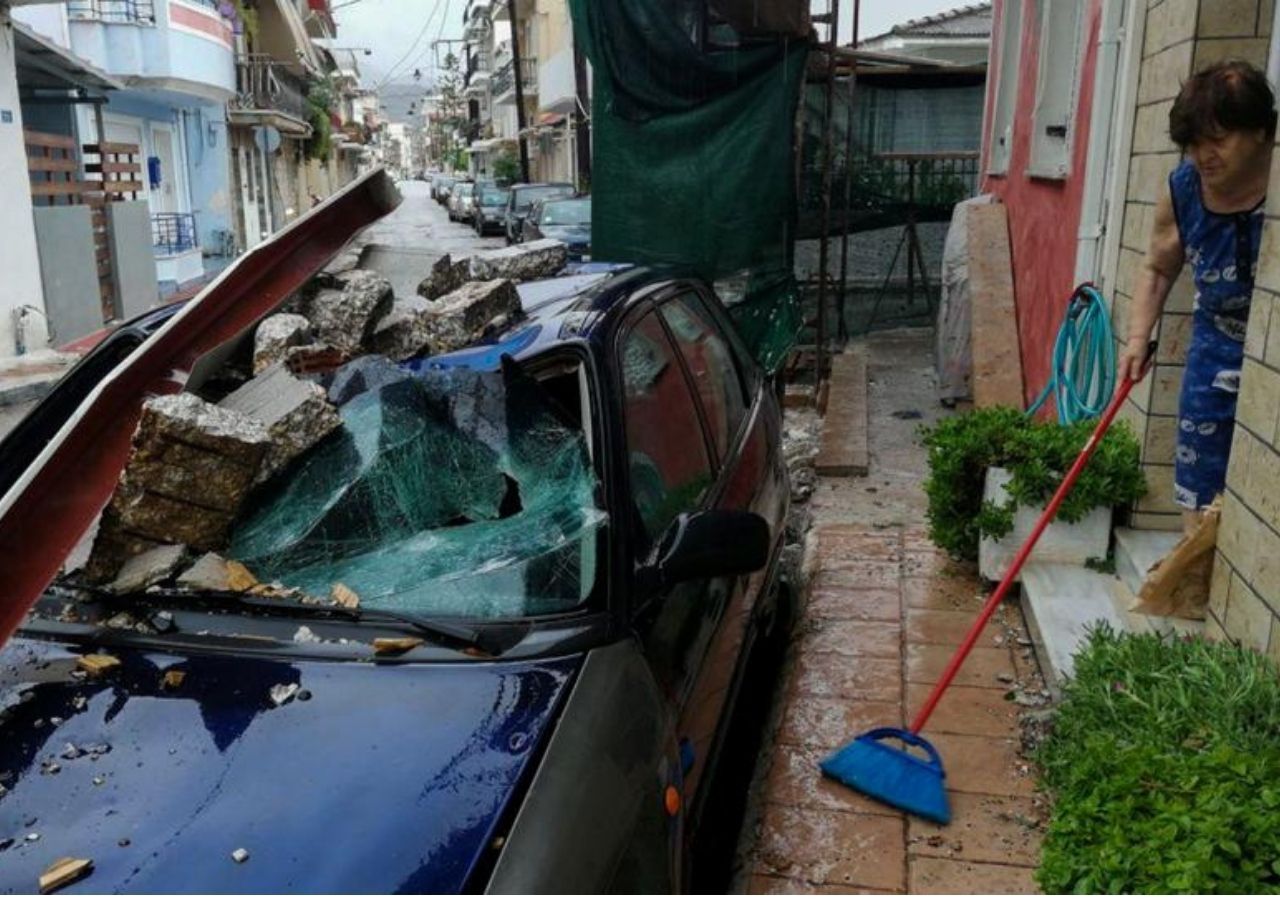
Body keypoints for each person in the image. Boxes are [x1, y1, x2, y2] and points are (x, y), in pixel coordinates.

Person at [1120, 59, 1277, 534]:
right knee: (1199, 456)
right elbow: (1156, 269)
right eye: (1193, 145)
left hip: (1270, 340)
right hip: (1215, 340)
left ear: (1262, 133)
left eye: (1218, 140)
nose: (1204, 155)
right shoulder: (1183, 190)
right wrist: (1136, 339)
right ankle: (1193, 563)